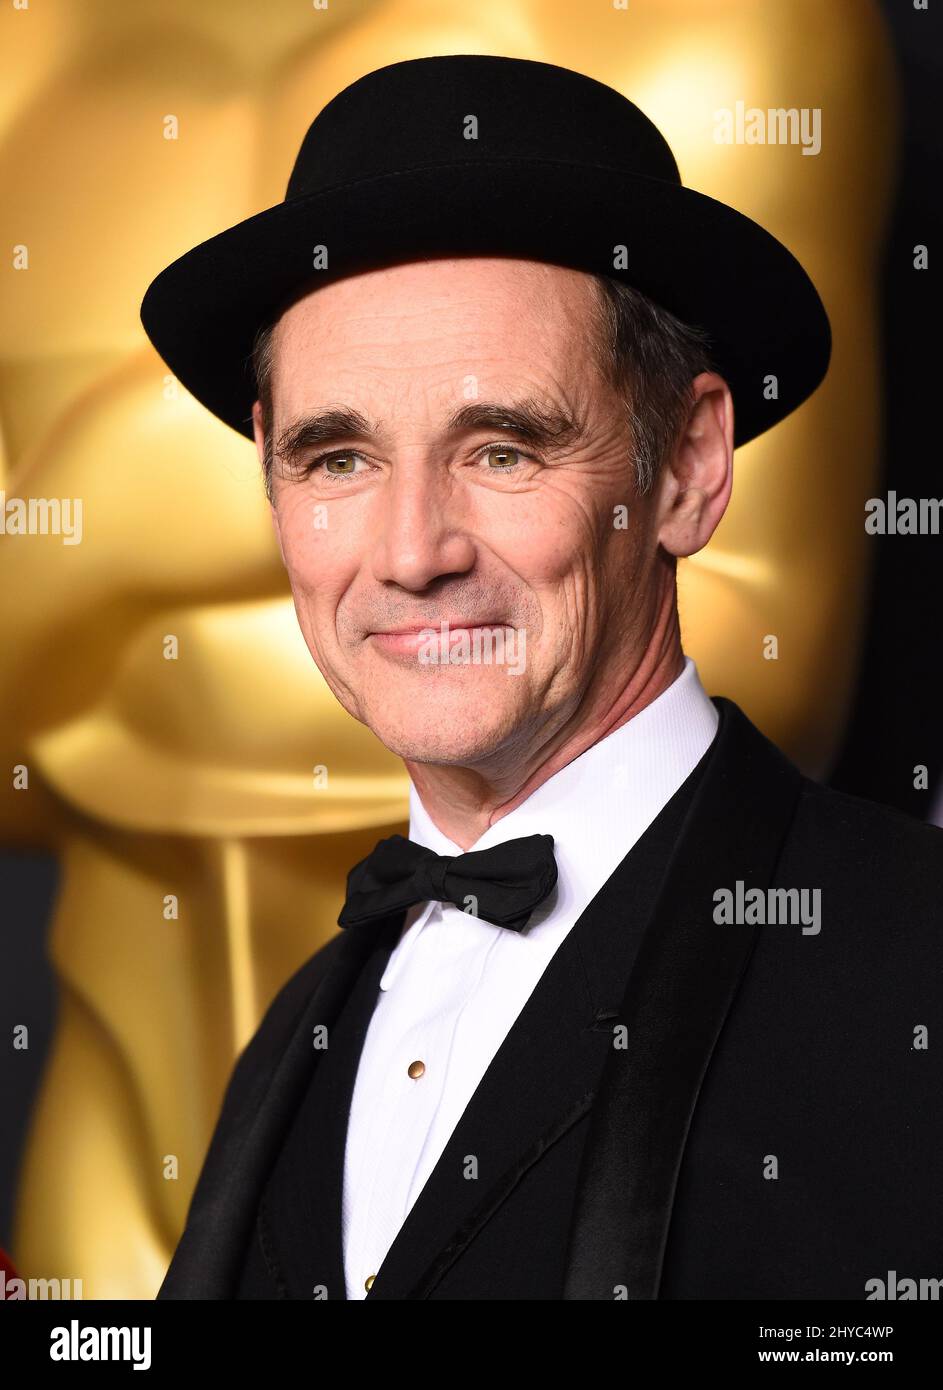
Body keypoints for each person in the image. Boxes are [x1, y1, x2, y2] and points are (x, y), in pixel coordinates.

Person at [141, 54, 943, 1300]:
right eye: (338, 457)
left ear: (684, 466)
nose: (412, 553)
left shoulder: (915, 965)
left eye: (504, 449)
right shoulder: (293, 1041)